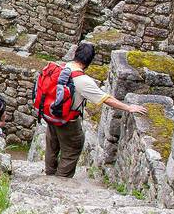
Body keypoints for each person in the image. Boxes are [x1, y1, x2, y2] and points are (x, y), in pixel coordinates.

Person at [34, 42, 147, 178]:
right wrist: (129, 107)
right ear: (89, 61)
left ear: (75, 54)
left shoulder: (60, 68)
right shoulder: (82, 80)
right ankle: (61, 180)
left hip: (50, 115)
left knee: (52, 146)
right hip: (68, 121)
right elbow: (106, 99)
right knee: (72, 150)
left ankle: (49, 173)